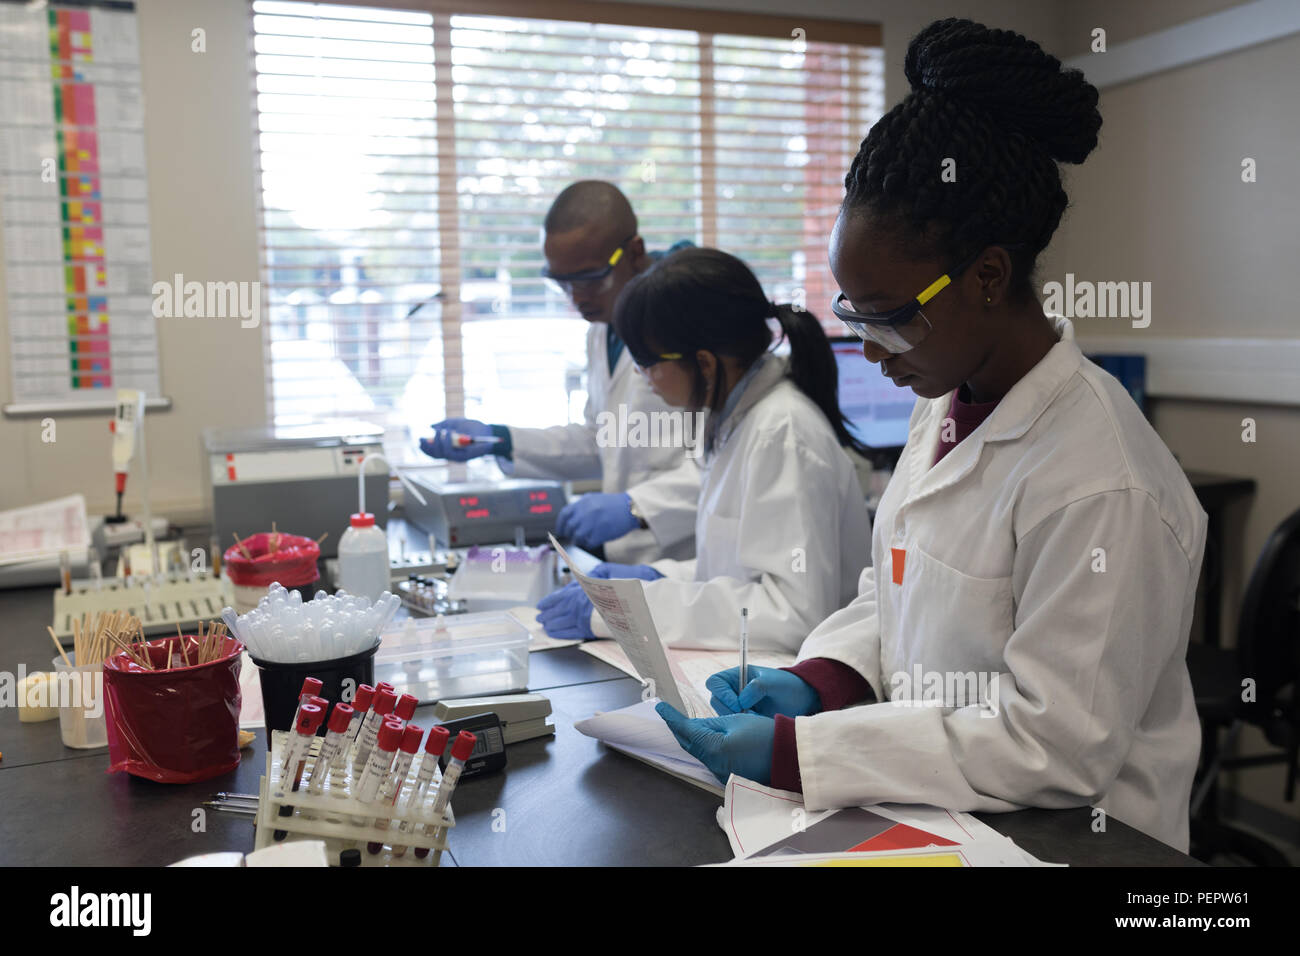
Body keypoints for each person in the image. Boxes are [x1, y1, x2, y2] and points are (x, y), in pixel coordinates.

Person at [657, 19, 1207, 852]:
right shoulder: (944, 401)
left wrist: (803, 753)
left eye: (889, 318)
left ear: (987, 276)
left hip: (1078, 842)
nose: (871, 350)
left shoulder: (1105, 482)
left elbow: (1051, 746)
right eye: (854, 314)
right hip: (945, 819)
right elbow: (898, 586)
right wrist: (823, 679)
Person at [536, 247, 872, 654]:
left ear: (705, 363)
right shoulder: (736, 421)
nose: (643, 380)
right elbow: (735, 571)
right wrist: (655, 577)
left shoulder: (782, 433)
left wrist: (632, 606)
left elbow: (791, 614)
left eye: (647, 364)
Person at [420, 181, 698, 563]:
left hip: (692, 561)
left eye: (590, 279)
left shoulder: (691, 319)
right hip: (630, 560)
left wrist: (637, 506)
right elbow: (602, 437)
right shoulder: (602, 328)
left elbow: (731, 463)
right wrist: (499, 440)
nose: (577, 297)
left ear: (634, 252)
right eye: (562, 283)